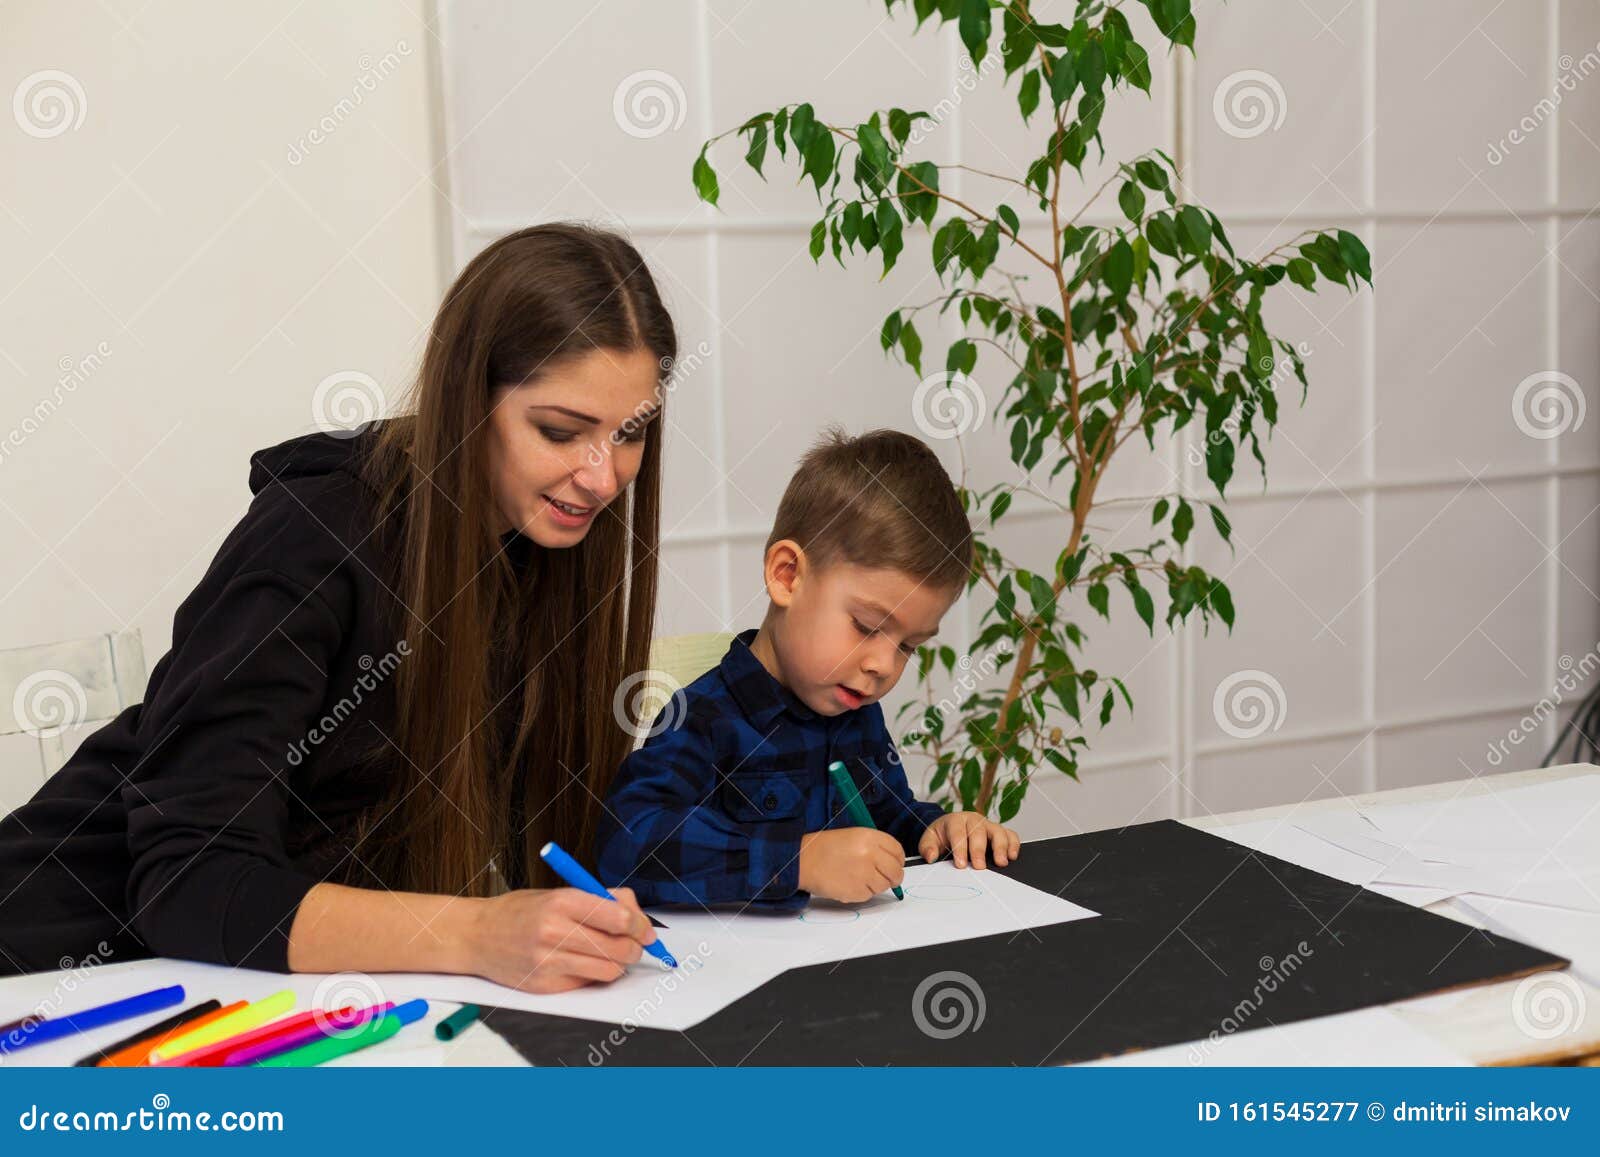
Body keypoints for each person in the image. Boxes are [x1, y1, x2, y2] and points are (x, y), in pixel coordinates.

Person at [0, 223, 675, 993]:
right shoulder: (315, 533)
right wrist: (479, 932)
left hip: (253, 988)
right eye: (560, 431)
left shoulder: (539, 546)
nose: (602, 476)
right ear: (467, 399)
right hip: (56, 975)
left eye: (631, 434)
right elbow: (189, 878)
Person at [597, 426, 1020, 908]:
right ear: (787, 575)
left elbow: (883, 818)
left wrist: (936, 829)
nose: (883, 665)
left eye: (910, 646)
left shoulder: (856, 714)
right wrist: (798, 861)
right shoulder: (703, 718)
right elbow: (627, 846)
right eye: (865, 626)